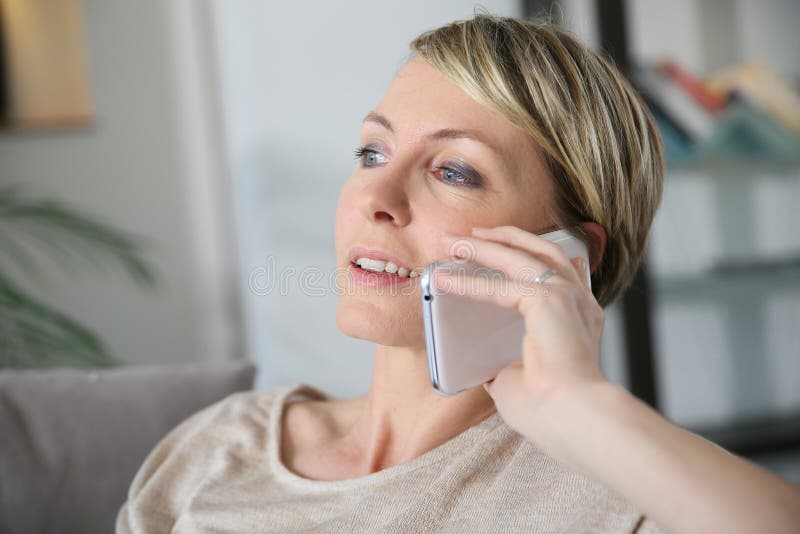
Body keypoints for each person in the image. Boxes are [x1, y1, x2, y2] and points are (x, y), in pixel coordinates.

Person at [116, 12, 800, 533]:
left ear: (567, 254)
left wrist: (577, 406)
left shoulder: (625, 493)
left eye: (454, 170)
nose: (374, 199)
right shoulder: (219, 445)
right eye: (371, 152)